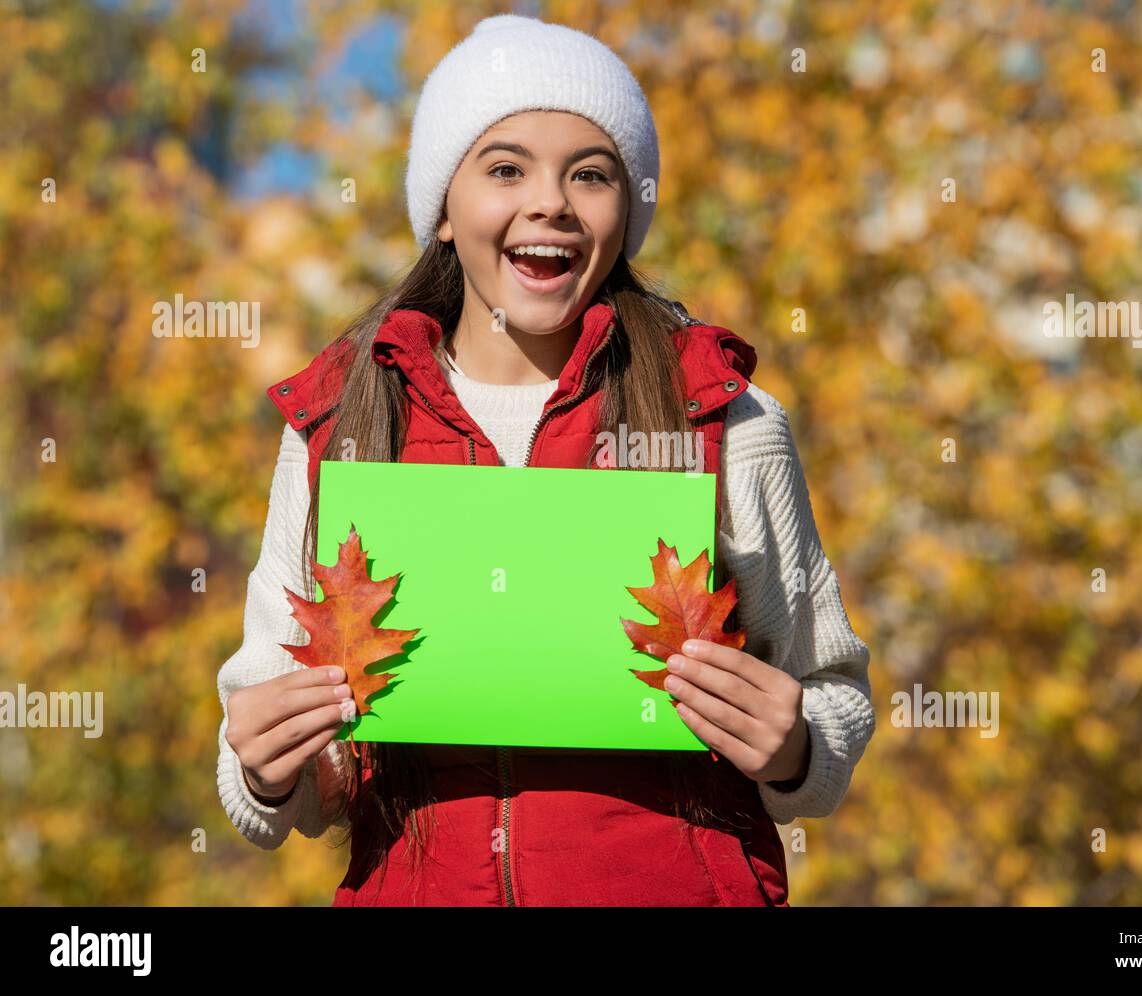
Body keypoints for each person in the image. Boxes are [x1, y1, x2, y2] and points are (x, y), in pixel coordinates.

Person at [216, 13, 875, 906]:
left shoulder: (725, 418)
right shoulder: (345, 425)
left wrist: (796, 748)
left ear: (626, 211)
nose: (552, 202)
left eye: (591, 174)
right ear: (444, 211)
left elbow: (830, 695)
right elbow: (288, 761)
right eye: (505, 167)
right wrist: (267, 771)